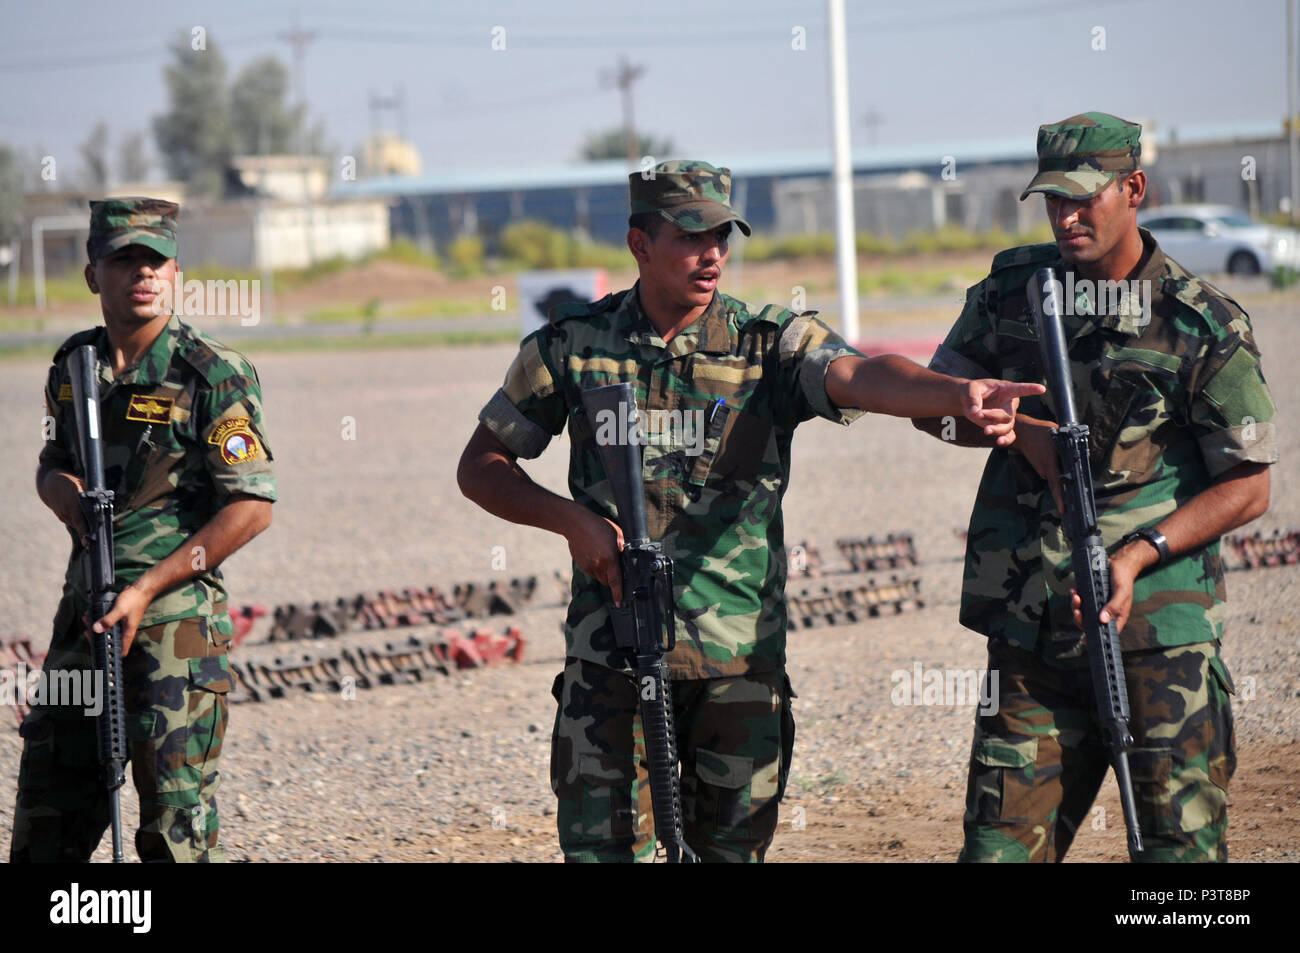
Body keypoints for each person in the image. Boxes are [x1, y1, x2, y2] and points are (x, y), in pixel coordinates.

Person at [458, 160, 1042, 862]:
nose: (712, 254)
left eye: (723, 237)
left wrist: (953, 394)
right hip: (610, 658)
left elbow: (858, 374)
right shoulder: (571, 346)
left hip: (737, 666)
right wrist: (571, 520)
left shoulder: (769, 343)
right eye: (690, 236)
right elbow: (482, 465)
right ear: (640, 245)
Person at [912, 113, 1277, 862]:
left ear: (1135, 188)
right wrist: (1013, 430)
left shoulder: (1198, 320)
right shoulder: (1014, 291)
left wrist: (1140, 554)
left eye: (1084, 199)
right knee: (997, 852)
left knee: (1180, 862)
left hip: (1158, 639)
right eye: (1053, 201)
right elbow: (932, 405)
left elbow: (1248, 486)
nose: (1066, 217)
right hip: (1033, 636)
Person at [10, 197, 276, 862]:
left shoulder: (212, 373)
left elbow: (251, 505)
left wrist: (149, 585)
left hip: (174, 630)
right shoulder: (73, 369)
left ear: (177, 270)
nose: (143, 273)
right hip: (86, 617)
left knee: (173, 828)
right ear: (92, 274)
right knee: (48, 812)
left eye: (155, 260)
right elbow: (52, 466)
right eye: (124, 258)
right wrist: (66, 497)